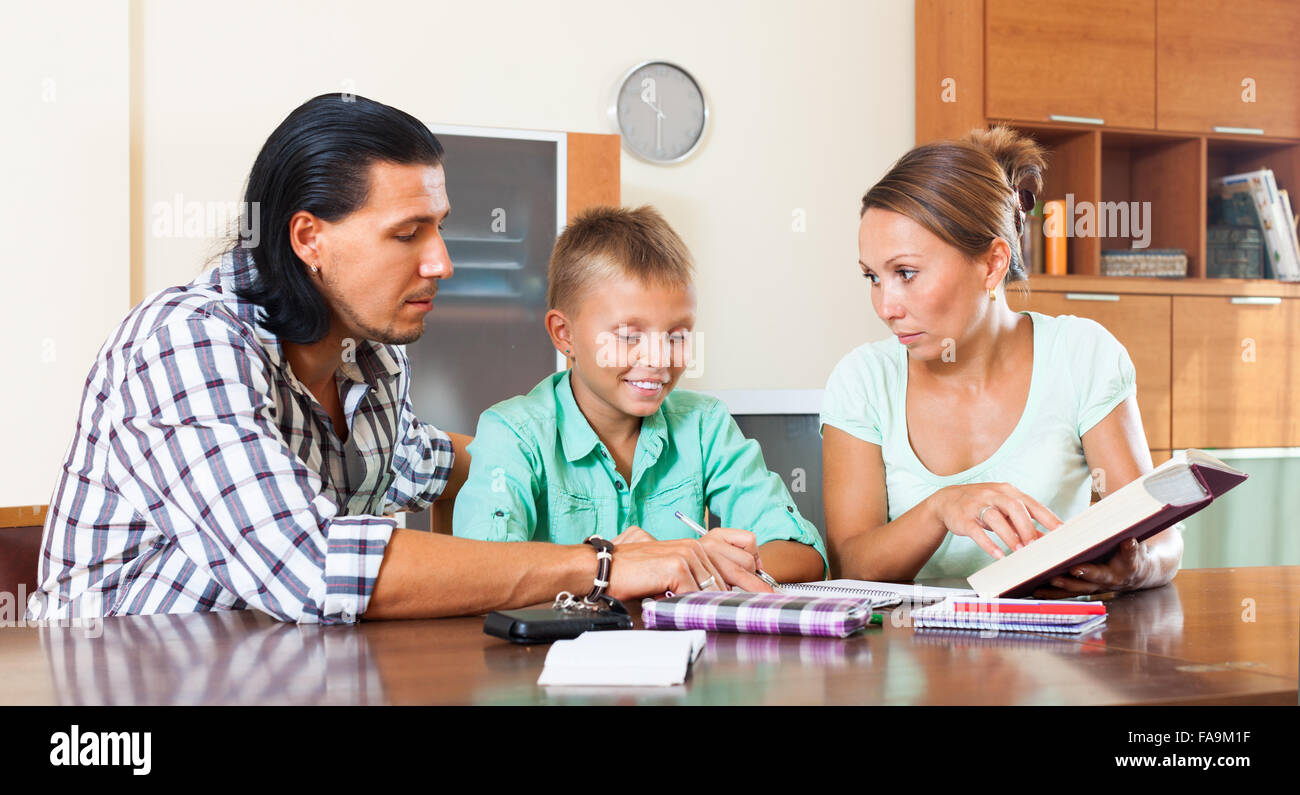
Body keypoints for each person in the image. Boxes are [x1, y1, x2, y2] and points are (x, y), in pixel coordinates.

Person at [27, 94, 745, 625]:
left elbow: (430, 460)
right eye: (408, 233)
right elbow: (314, 565)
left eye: (439, 226)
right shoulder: (184, 344)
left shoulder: (370, 357)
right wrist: (604, 564)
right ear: (310, 237)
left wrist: (606, 466)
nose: (442, 261)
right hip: (124, 688)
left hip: (281, 673)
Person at [821, 126, 1182, 597]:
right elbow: (851, 563)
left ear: (992, 264)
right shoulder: (862, 382)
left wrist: (1136, 568)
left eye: (906, 273)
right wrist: (940, 508)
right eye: (873, 277)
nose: (886, 306)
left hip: (1058, 652)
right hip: (912, 656)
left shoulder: (1081, 355)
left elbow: (1159, 538)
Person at [453, 206, 828, 586]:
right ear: (565, 334)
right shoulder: (513, 433)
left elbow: (805, 555)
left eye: (677, 335)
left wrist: (698, 563)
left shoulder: (703, 424)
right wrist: (615, 566)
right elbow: (483, 575)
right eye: (630, 336)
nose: (659, 358)